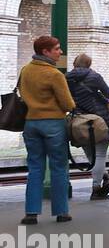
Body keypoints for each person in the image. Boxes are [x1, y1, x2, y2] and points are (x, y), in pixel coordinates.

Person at [18, 35, 76, 225]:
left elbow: (21, 93)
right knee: (59, 167)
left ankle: (31, 212)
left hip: (31, 123)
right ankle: (61, 211)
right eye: (57, 49)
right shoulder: (54, 74)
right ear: (45, 52)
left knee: (35, 167)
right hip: (53, 123)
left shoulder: (25, 70)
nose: (60, 52)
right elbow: (68, 103)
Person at [66, 53, 109, 199]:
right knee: (100, 155)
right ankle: (96, 188)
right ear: (89, 64)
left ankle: (104, 178)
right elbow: (108, 93)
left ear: (74, 63)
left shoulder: (66, 78)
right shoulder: (94, 77)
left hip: (79, 120)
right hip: (100, 119)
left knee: (92, 156)